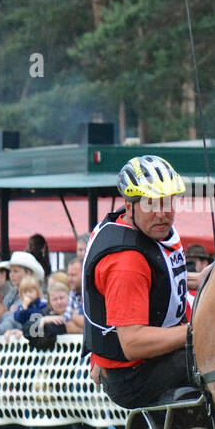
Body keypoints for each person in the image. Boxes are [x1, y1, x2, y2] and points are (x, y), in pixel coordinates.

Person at [83, 155, 194, 411]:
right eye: (151, 203)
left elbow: (160, 280)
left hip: (137, 364)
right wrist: (197, 332)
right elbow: (133, 344)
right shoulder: (126, 262)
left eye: (167, 202)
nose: (162, 213)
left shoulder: (131, 225)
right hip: (134, 377)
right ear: (129, 205)